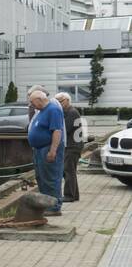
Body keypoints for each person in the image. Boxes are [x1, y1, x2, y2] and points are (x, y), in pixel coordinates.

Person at [27, 87, 65, 215]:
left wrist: (53, 151)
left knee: (51, 177)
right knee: (41, 177)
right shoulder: (42, 110)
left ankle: (54, 207)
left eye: (32, 102)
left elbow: (57, 131)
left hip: (48, 148)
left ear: (39, 99)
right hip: (39, 149)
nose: (31, 105)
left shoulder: (53, 109)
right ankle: (45, 204)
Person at [56, 92, 82, 202]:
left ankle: (69, 195)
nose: (58, 103)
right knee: (70, 171)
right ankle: (74, 195)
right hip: (72, 145)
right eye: (57, 101)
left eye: (60, 101)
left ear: (67, 100)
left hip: (72, 146)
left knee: (68, 171)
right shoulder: (68, 112)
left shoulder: (71, 112)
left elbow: (65, 129)